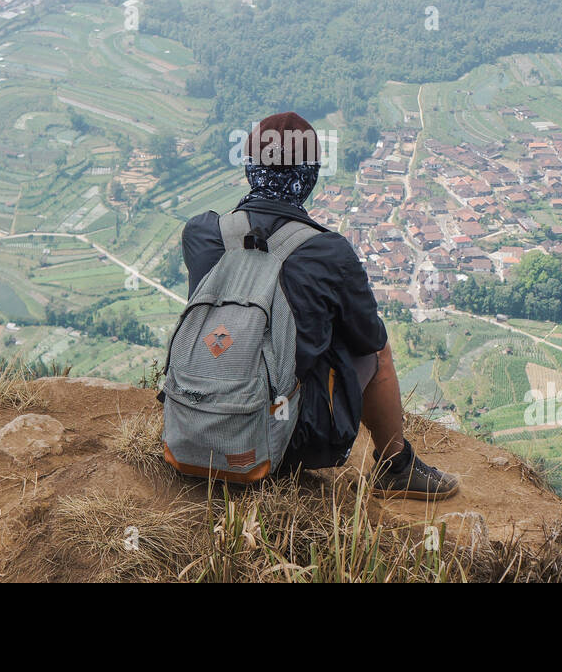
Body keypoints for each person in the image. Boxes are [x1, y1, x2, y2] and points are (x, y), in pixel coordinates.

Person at [180, 111, 459, 500]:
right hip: (281, 437)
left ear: (250, 168)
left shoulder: (201, 232)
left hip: (190, 426)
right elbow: (367, 339)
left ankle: (211, 427)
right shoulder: (328, 252)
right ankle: (394, 467)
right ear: (308, 174)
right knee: (376, 351)